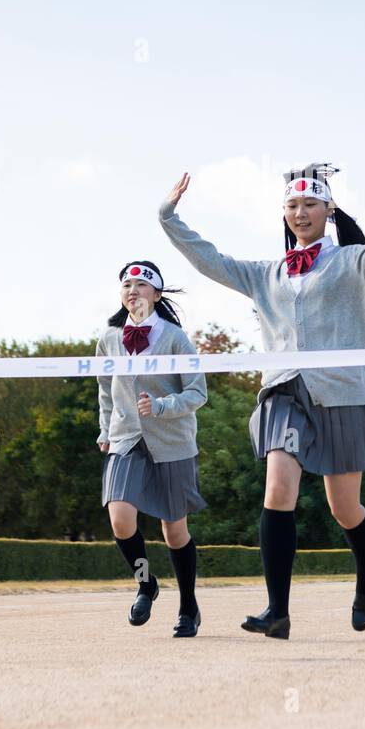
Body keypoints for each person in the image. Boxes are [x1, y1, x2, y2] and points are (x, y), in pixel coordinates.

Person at [158, 158, 365, 639]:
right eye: (292, 205)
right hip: (284, 390)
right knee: (278, 488)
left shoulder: (352, 261)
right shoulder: (267, 274)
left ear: (328, 209)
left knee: (344, 507)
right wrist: (169, 219)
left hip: (340, 394)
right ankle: (277, 611)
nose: (300, 213)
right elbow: (211, 260)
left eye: (309, 204)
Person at [96, 259, 207, 637]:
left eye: (142, 285)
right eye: (126, 284)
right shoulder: (109, 339)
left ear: (157, 295)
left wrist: (162, 407)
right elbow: (104, 389)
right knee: (120, 518)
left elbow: (198, 391)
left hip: (172, 441)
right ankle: (146, 583)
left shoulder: (176, 338)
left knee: (174, 531)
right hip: (126, 437)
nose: (133, 291)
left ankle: (189, 608)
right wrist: (104, 429)